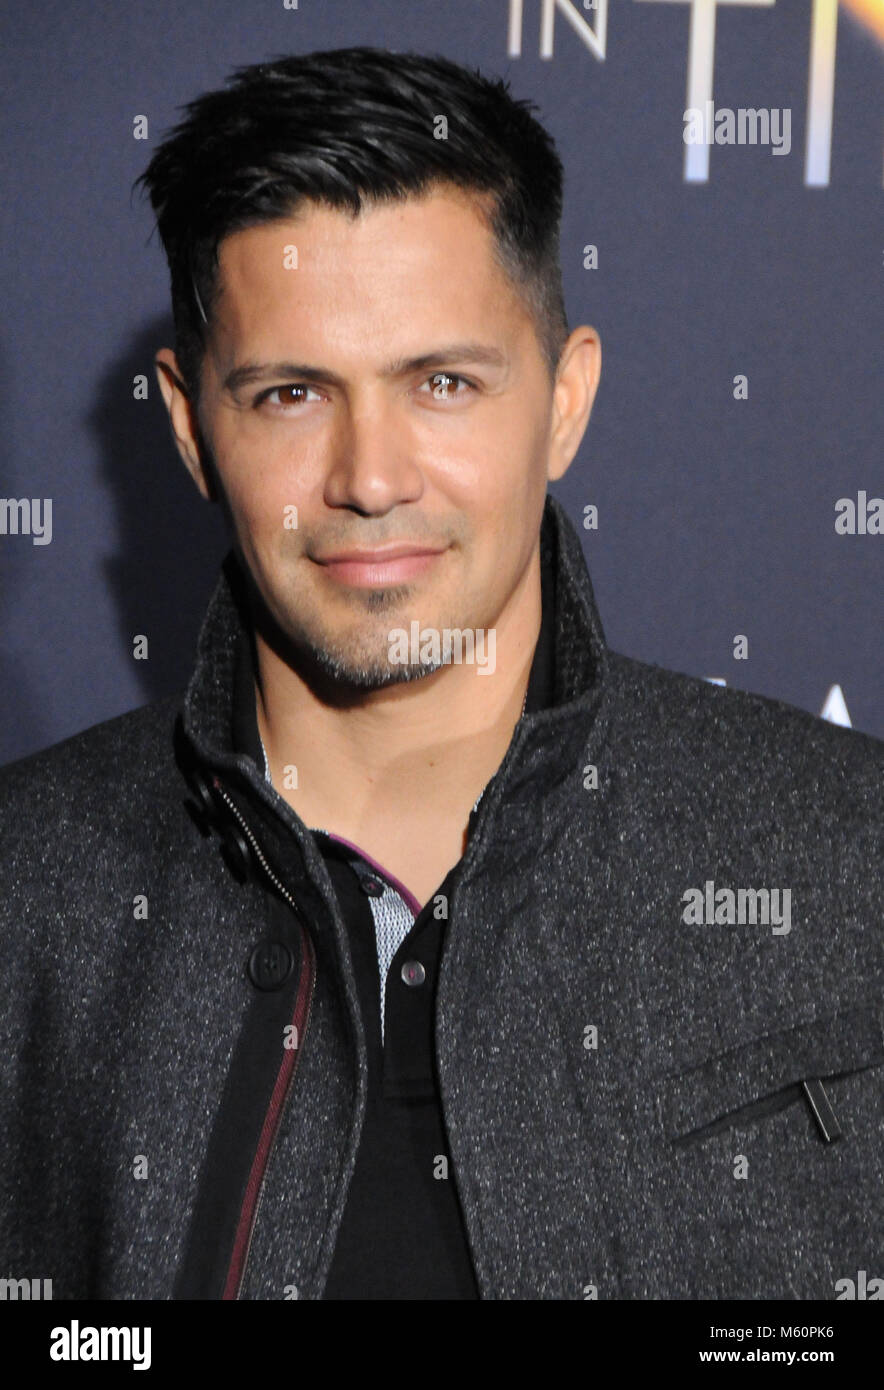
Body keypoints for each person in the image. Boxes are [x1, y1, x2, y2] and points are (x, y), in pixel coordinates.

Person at [0, 47, 881, 1302]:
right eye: (293, 393)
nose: (371, 475)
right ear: (193, 426)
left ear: (564, 401)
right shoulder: (27, 905)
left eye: (443, 383)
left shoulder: (846, 859)